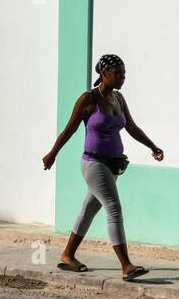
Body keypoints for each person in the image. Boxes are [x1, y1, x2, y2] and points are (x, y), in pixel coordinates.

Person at [42, 54, 163, 281]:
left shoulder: (119, 99)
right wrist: (52, 154)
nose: (122, 77)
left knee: (88, 210)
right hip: (94, 163)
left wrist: (153, 146)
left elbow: (132, 128)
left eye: (124, 73)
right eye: (118, 73)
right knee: (113, 208)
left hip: (112, 164)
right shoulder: (89, 99)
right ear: (104, 73)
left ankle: (68, 254)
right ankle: (126, 266)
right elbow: (70, 129)